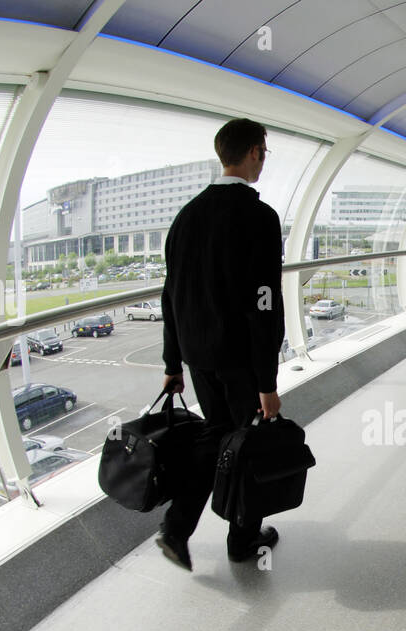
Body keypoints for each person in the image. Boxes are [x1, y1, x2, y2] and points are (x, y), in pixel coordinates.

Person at [157, 117, 284, 570]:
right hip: (240, 361)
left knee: (216, 438)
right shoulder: (260, 218)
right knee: (247, 445)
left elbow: (170, 293)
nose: (263, 161)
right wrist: (267, 382)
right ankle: (243, 540)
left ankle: (177, 526)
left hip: (198, 356)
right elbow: (264, 303)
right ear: (252, 152)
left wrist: (173, 362)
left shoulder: (186, 217)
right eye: (264, 153)